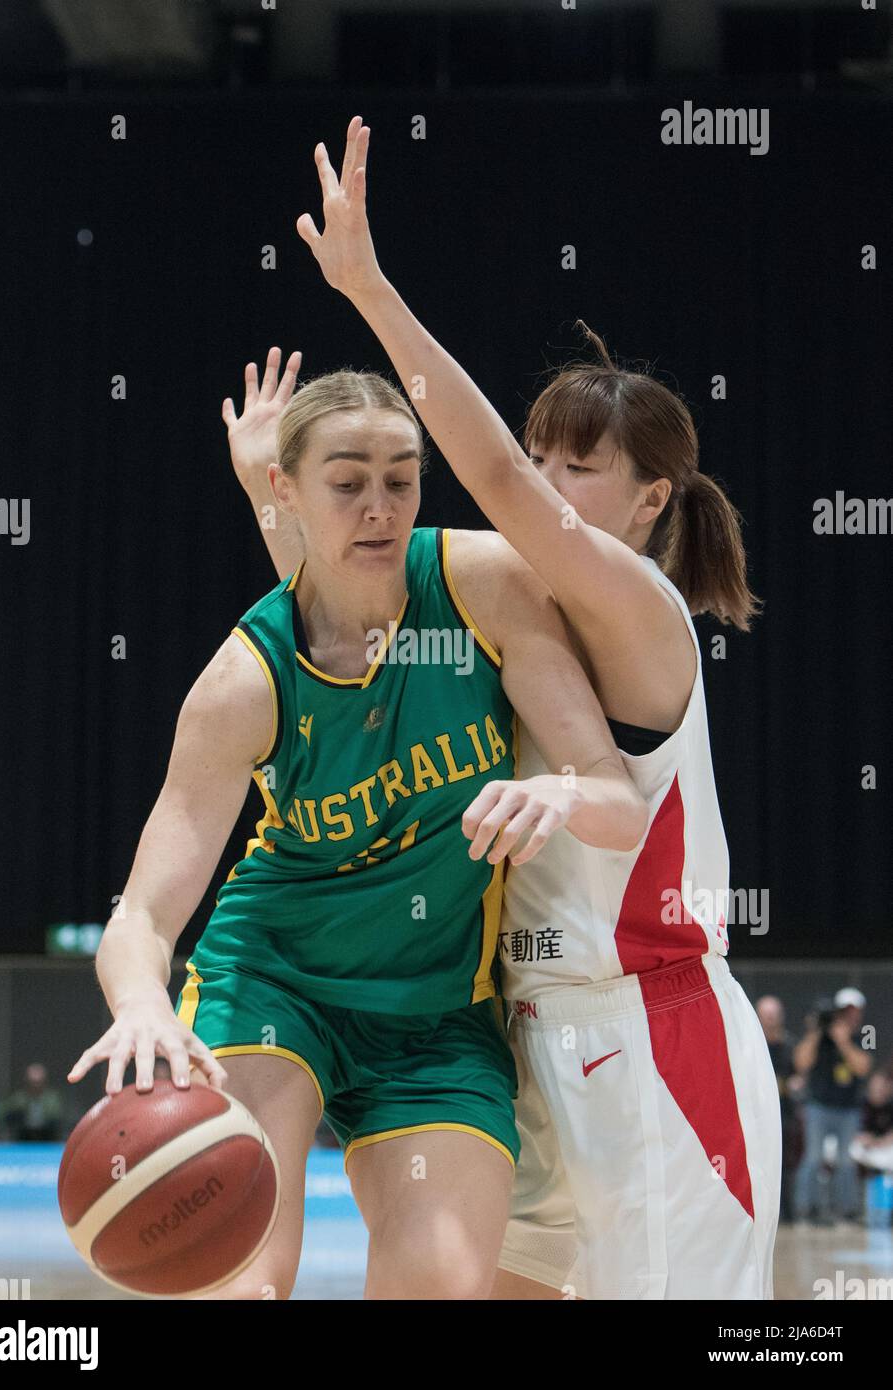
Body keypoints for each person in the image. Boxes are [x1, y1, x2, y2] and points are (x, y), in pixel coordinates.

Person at [241, 114, 782, 1300]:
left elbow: (477, 480)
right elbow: (342, 621)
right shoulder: (498, 620)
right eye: (537, 455)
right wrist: (274, 499)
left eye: (572, 467)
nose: (540, 486)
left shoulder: (642, 613)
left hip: (653, 1041)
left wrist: (371, 293)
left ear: (648, 502)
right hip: (522, 1045)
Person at [69, 367, 647, 1301]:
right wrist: (139, 1003)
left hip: (436, 1015)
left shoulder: (483, 585)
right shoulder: (243, 684)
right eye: (348, 483)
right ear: (285, 493)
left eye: (401, 478)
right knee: (243, 1282)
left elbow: (619, 799)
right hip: (274, 984)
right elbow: (141, 913)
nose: (380, 508)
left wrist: (563, 795)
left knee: (441, 1291)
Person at [793, 987, 872, 1225]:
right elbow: (801, 1062)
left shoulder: (865, 1034)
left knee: (846, 1160)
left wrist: (844, 1041)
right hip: (819, 1106)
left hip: (848, 1108)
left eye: (854, 1012)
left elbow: (863, 1067)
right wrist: (816, 1032)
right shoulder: (820, 1038)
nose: (850, 1016)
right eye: (845, 1011)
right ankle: (807, 1210)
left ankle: (846, 1211)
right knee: (814, 1158)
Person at [756, 995, 802, 1223]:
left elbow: (798, 1075)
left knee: (785, 1164)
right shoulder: (750, 1044)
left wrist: (795, 1083)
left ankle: (788, 1213)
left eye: (774, 1015)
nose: (771, 1020)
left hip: (785, 1114)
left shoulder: (789, 1045)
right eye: (766, 1015)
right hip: (756, 1116)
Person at [1, 1063, 63, 1142]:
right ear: (27, 1081)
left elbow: (57, 1118)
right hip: (22, 1139)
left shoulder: (52, 1099)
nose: (35, 1086)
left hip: (47, 1139)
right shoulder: (18, 1099)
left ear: (44, 1081)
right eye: (33, 1082)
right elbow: (4, 1116)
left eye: (38, 1082)